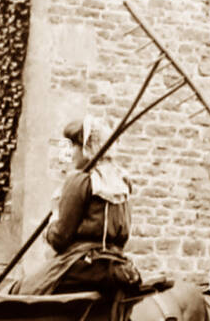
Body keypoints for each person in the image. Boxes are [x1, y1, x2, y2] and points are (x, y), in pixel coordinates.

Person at [17, 116, 139, 295]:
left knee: (24, 289)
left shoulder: (81, 181)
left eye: (73, 146)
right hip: (116, 264)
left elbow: (60, 239)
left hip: (84, 266)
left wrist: (50, 227)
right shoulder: (121, 180)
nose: (70, 153)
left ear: (86, 148)